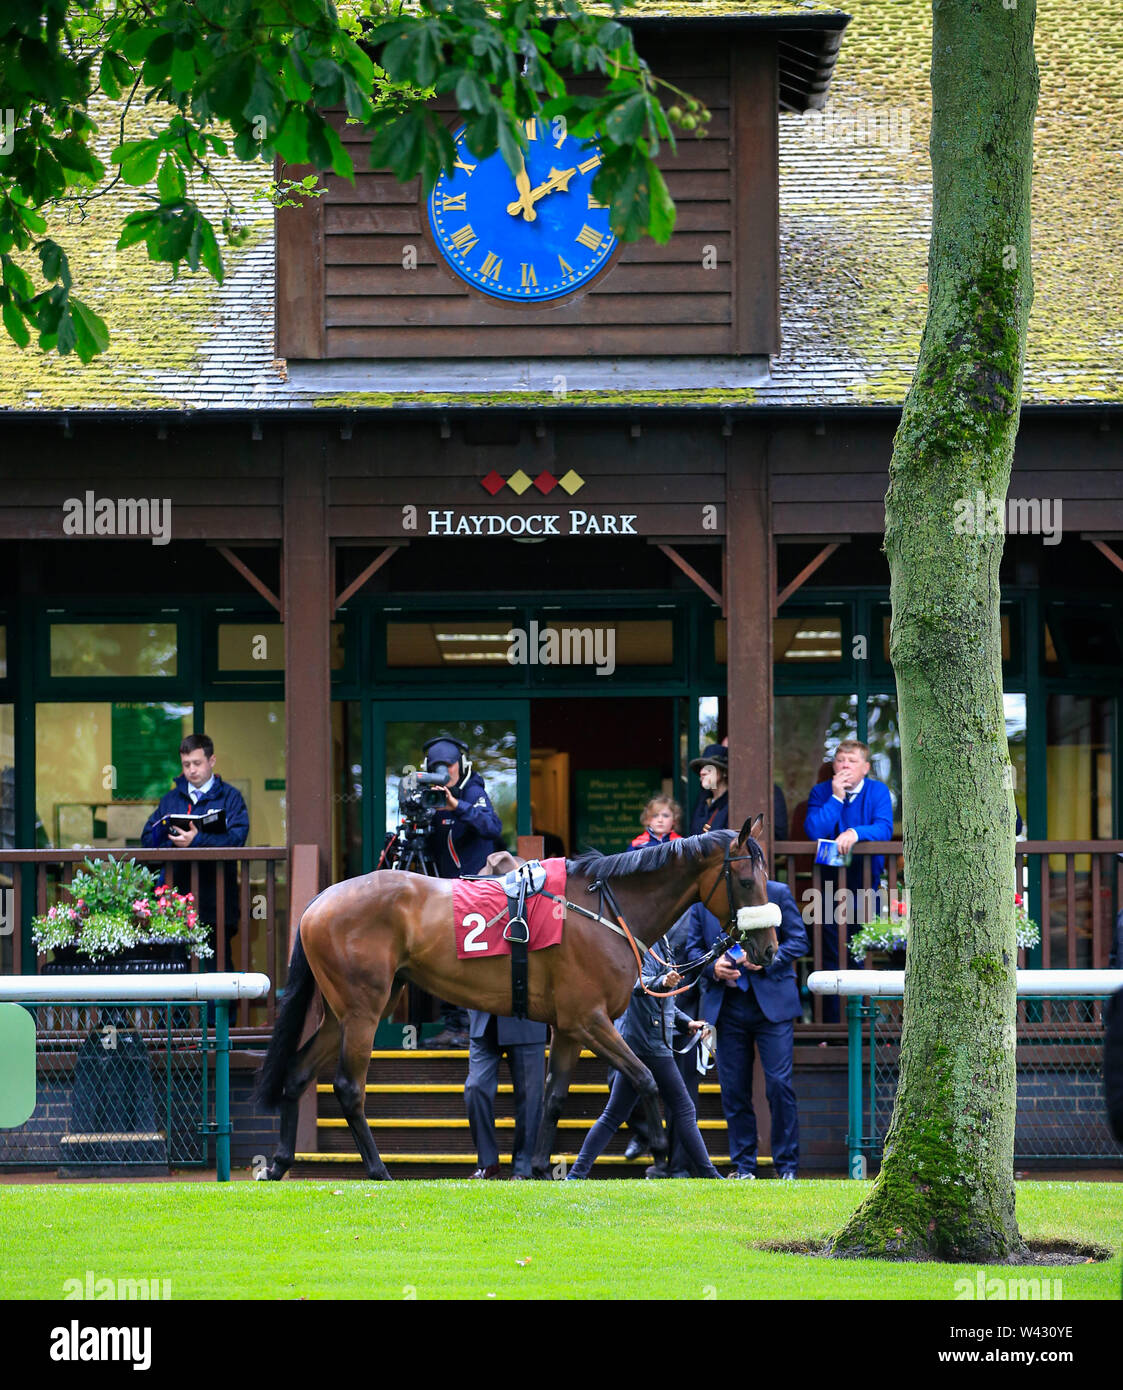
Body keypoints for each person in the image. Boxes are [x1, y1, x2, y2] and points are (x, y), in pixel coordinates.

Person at [565, 934, 722, 1180]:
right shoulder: (645, 943)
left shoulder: (660, 941)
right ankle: (710, 1175)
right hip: (649, 1044)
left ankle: (575, 1174)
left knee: (614, 1115)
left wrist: (686, 1022)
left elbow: (665, 1000)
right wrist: (662, 982)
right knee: (683, 1108)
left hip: (642, 1042)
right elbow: (635, 984)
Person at [685, 880, 808, 1179]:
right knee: (733, 1090)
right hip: (726, 1007)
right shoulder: (703, 901)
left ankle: (787, 1168)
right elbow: (692, 950)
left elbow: (799, 940)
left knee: (779, 1085)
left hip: (773, 1006)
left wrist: (767, 960)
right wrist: (713, 968)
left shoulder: (776, 892)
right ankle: (744, 1167)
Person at [419, 734, 502, 1050]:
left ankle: (470, 1027)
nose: (445, 773)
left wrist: (457, 805)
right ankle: (452, 1025)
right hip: (442, 891)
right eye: (437, 768)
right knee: (442, 957)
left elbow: (492, 828)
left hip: (475, 891)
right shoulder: (428, 795)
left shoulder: (472, 790)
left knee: (470, 959)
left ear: (460, 765)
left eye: (449, 766)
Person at [803, 739, 894, 1021]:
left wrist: (855, 833)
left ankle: (864, 1024)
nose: (845, 765)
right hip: (828, 886)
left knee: (862, 953)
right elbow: (814, 829)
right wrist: (836, 797)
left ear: (865, 768)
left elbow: (884, 828)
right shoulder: (821, 791)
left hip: (866, 884)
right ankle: (833, 1026)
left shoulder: (877, 791)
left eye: (852, 761)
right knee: (831, 955)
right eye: (840, 760)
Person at [141, 732, 249, 970]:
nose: (191, 770)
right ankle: (183, 1011)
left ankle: (217, 1011)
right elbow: (148, 839)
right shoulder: (170, 800)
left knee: (218, 972)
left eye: (197, 763)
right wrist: (179, 842)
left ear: (212, 761)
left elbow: (238, 839)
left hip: (217, 903)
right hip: (176, 904)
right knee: (176, 973)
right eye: (186, 764)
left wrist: (197, 841)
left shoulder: (231, 797)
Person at [463, 1010, 547, 1179]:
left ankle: (523, 1169)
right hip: (484, 1022)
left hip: (527, 1021)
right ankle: (487, 1163)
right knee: (475, 1087)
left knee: (530, 1098)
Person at [689, 745, 729, 836]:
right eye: (702, 767)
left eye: (709, 767)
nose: (702, 772)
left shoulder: (732, 805)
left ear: (724, 772)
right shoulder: (702, 803)